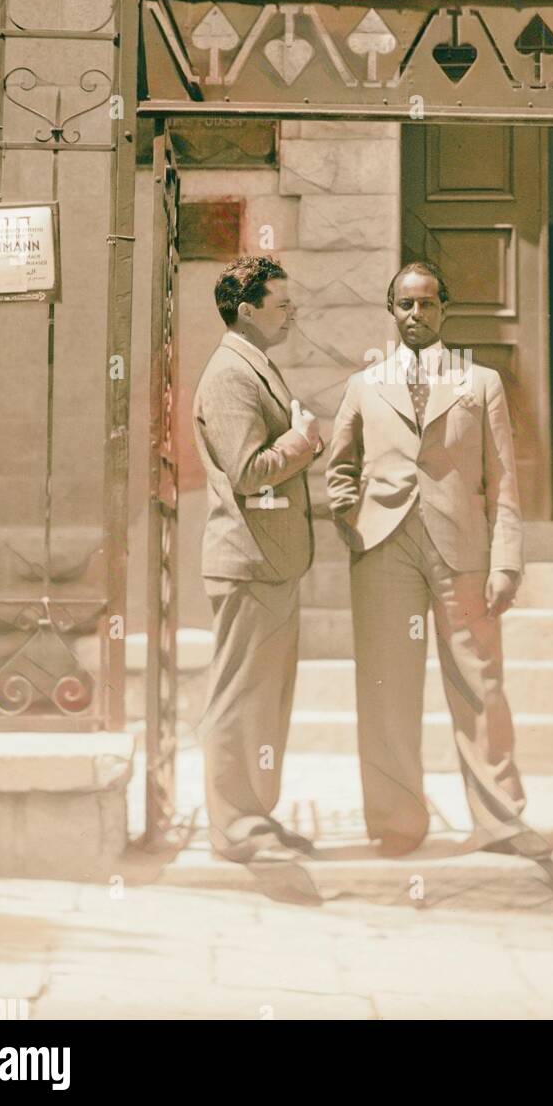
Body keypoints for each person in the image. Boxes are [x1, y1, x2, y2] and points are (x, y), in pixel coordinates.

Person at [326, 259, 553, 874]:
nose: (416, 314)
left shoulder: (480, 384)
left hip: (463, 552)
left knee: (479, 683)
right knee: (385, 688)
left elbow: (504, 478)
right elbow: (339, 466)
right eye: (405, 304)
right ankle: (396, 822)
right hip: (384, 549)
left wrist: (506, 559)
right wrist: (352, 520)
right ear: (392, 312)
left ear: (444, 310)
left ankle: (499, 817)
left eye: (427, 303)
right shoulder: (364, 386)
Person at [192, 255, 324, 864]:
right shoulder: (230, 375)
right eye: (281, 304)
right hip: (248, 560)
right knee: (239, 697)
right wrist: (301, 440)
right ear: (246, 312)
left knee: (264, 699)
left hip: (270, 560)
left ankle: (255, 818)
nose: (291, 311)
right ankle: (235, 827)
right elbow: (250, 474)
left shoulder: (255, 366)